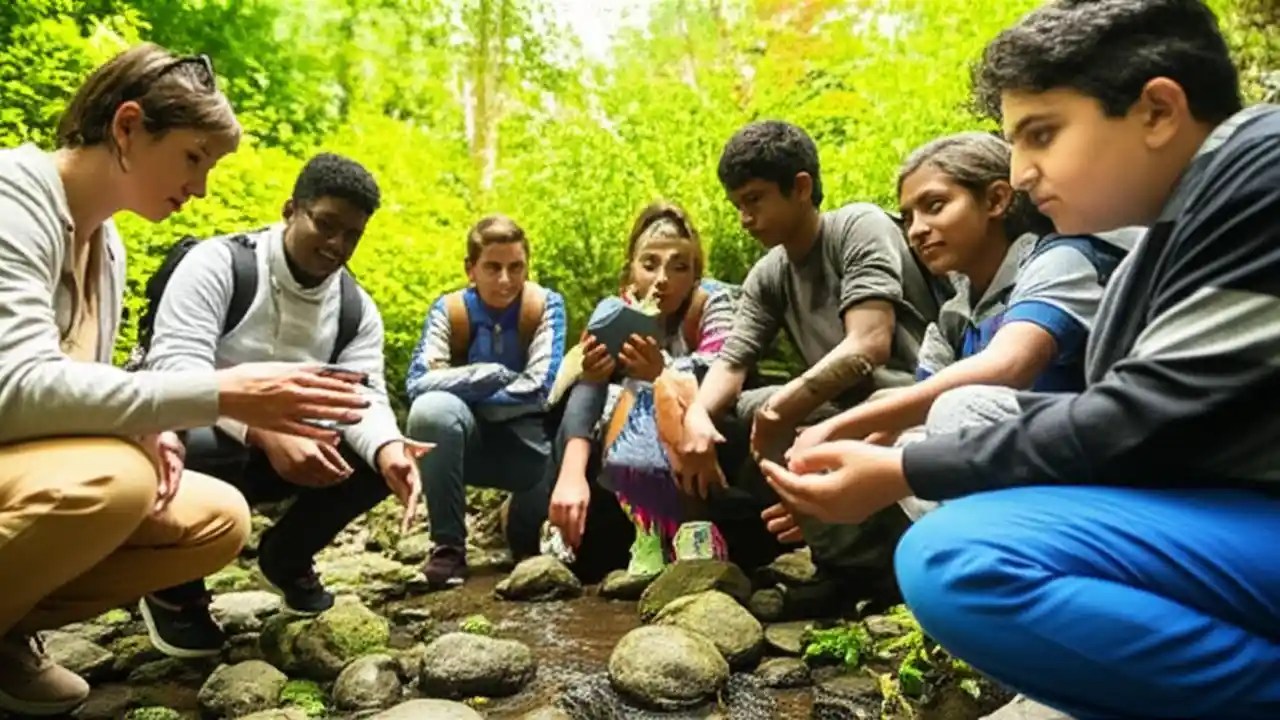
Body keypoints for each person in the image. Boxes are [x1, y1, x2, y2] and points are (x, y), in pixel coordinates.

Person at [759, 2, 1280, 718]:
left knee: (955, 558)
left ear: (1158, 110)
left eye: (1041, 135)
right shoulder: (1158, 244)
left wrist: (899, 469)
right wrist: (864, 465)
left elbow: (1136, 419)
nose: (1025, 173)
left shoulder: (1259, 175)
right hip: (1231, 513)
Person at [0, 44, 370, 715]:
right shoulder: (13, 197)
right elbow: (15, 388)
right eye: (194, 159)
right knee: (116, 483)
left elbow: (73, 383)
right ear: (127, 128)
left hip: (23, 458)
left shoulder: (104, 243)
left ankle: (8, 626)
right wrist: (229, 394)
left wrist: (141, 427)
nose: (199, 187)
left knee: (214, 520)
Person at [139, 153, 429, 654]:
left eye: (352, 235)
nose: (337, 245)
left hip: (293, 445)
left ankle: (287, 557)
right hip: (194, 442)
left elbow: (362, 396)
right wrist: (264, 430)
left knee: (375, 458)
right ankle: (172, 588)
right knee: (200, 438)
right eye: (326, 224)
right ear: (291, 209)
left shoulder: (356, 310)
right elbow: (172, 374)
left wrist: (388, 451)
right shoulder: (217, 264)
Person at [788, 132, 1138, 522]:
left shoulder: (1061, 260)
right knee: (910, 434)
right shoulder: (954, 315)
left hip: (1105, 469)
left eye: (934, 206)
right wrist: (819, 484)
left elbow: (1007, 366)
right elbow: (910, 414)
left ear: (996, 200)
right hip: (1027, 469)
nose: (917, 230)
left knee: (957, 410)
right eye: (907, 218)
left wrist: (839, 426)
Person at [676, 120, 938, 582]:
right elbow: (732, 362)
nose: (744, 218)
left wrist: (780, 411)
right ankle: (769, 545)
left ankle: (857, 564)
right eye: (737, 204)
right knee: (729, 414)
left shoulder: (858, 227)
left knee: (769, 411)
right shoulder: (770, 272)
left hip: (904, 403)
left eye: (754, 200)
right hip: (835, 409)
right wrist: (696, 417)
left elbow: (869, 344)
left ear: (800, 187)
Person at [545, 201, 738, 578]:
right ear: (631, 271)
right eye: (650, 265)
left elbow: (720, 371)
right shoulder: (616, 314)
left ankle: (694, 536)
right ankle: (647, 535)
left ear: (696, 274)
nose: (662, 279)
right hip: (619, 458)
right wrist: (571, 474)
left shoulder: (715, 303)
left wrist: (661, 370)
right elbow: (586, 391)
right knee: (631, 394)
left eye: (679, 267)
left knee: (659, 393)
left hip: (705, 433)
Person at [405, 214, 567, 588]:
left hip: (529, 451)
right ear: (470, 270)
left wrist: (464, 390)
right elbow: (418, 384)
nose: (505, 280)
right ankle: (447, 547)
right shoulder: (450, 311)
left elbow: (539, 388)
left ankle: (523, 530)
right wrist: (488, 375)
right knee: (431, 412)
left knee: (528, 552)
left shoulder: (545, 306)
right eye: (493, 267)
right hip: (464, 438)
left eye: (516, 268)